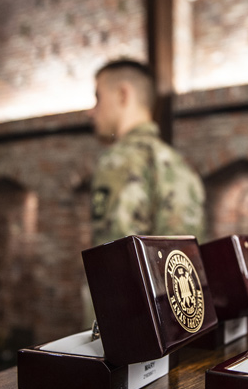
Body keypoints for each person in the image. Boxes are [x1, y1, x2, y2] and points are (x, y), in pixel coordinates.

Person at [85, 59, 206, 325]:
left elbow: (112, 270)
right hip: (181, 326)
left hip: (133, 331)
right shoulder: (182, 165)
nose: (91, 112)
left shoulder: (119, 161)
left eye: (97, 98)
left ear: (122, 94)